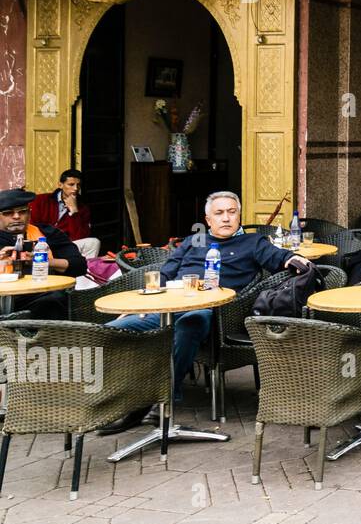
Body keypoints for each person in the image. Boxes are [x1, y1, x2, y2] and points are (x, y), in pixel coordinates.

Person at [99, 191, 311, 432]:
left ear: (239, 216)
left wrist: (294, 259)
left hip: (214, 313)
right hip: (168, 305)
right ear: (208, 220)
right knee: (110, 332)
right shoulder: (193, 242)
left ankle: (158, 401)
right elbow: (165, 274)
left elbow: (280, 257)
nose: (226, 218)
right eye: (219, 213)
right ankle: (114, 402)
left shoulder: (252, 243)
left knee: (191, 324)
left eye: (232, 212)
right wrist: (139, 303)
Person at [0, 187, 90, 319]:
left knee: (55, 300)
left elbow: (79, 265)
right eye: (8, 213)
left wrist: (41, 261)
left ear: (29, 213)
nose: (16, 216)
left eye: (22, 212)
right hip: (3, 298)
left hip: (39, 297)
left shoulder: (48, 233)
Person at [29, 169, 99, 259]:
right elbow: (32, 225)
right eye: (71, 184)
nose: (75, 189)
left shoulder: (82, 208)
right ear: (60, 185)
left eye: (78, 185)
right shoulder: (41, 200)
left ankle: (83, 271)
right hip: (40, 244)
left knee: (94, 242)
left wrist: (73, 212)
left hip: (64, 246)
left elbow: (79, 237)